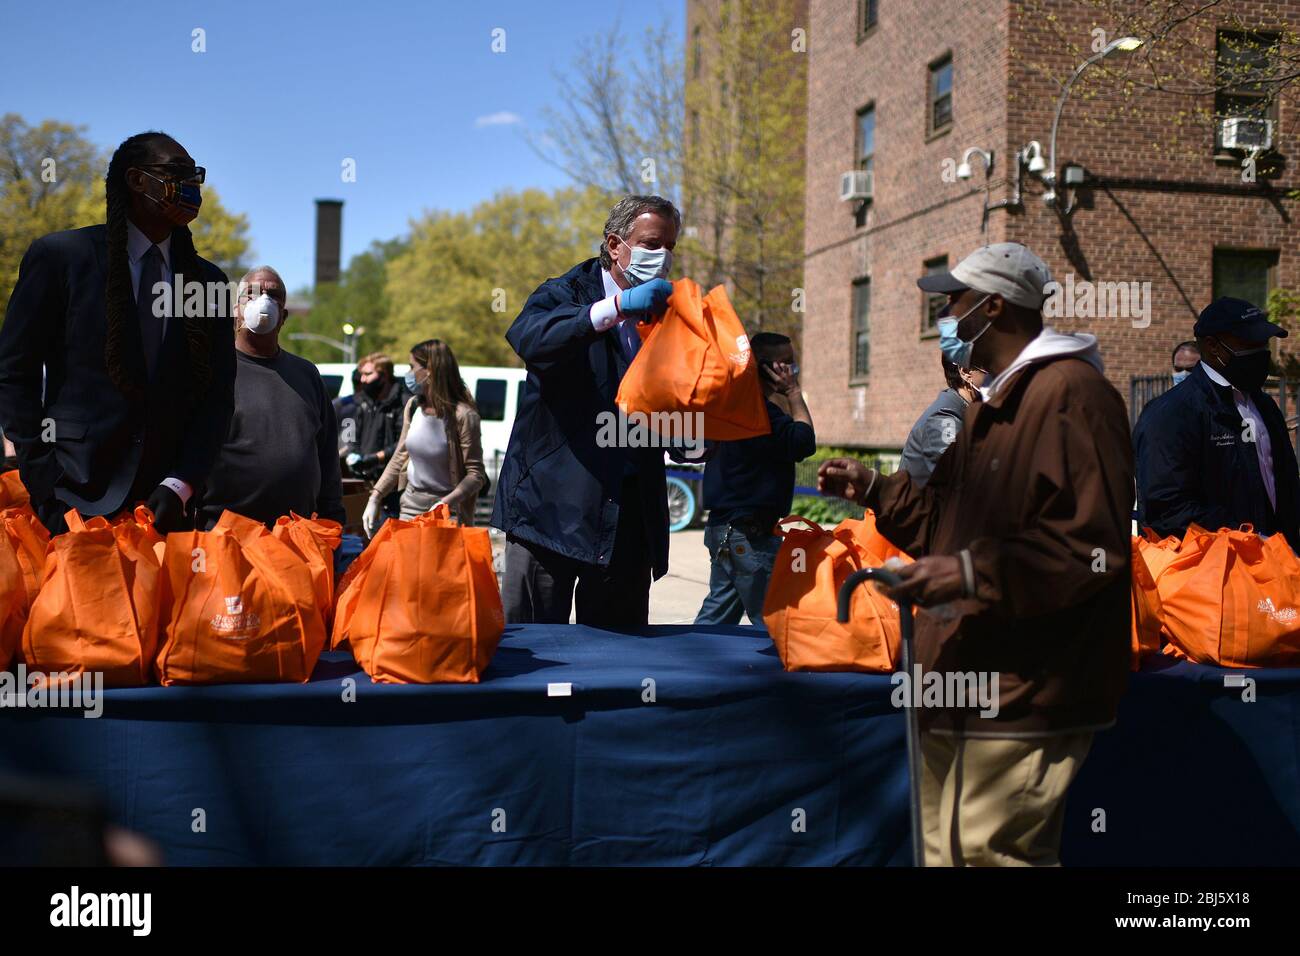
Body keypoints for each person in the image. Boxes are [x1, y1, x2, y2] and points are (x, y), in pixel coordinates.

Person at [818, 242, 1132, 867]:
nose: (947, 317)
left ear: (993, 307)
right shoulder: (992, 406)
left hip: (1027, 686)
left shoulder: (1074, 394)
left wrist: (966, 573)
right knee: (945, 853)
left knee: (989, 856)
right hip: (959, 673)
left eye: (954, 302)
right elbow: (947, 529)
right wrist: (877, 490)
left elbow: (1091, 548)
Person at [0, 131, 235, 535]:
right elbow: (13, 373)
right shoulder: (62, 258)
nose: (191, 185)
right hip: (70, 501)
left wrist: (181, 484)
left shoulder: (207, 281)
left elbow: (217, 398)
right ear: (136, 180)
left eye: (196, 175)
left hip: (165, 510)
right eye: (177, 172)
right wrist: (43, 481)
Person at [492, 194, 678, 628]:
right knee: (534, 647)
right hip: (549, 514)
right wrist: (614, 310)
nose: (663, 257)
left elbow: (669, 406)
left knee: (616, 655)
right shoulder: (565, 294)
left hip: (626, 520)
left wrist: (694, 437)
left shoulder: (668, 316)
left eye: (670, 247)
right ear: (615, 245)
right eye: (652, 244)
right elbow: (529, 337)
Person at [1134, 298, 1298, 543]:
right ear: (1213, 347)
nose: (1261, 352)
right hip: (1212, 564)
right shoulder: (1172, 414)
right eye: (1250, 343)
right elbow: (1168, 511)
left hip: (1276, 561)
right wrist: (1250, 541)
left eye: (1264, 343)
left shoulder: (1264, 405)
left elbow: (1285, 487)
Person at [196, 267, 345, 529]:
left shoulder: (306, 374)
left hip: (296, 536)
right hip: (227, 537)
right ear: (235, 310)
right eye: (251, 293)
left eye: (273, 295)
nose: (263, 300)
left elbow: (327, 453)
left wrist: (332, 518)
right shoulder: (212, 371)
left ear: (283, 316)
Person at [695, 332, 815, 629]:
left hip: (729, 530)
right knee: (777, 624)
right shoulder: (758, 412)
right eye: (786, 363)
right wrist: (794, 393)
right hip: (748, 537)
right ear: (764, 367)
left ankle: (688, 659)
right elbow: (803, 442)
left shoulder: (734, 406)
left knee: (715, 620)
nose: (792, 370)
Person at [364, 338, 486, 531]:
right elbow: (400, 456)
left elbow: (476, 474)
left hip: (448, 513)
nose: (409, 374)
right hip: (410, 506)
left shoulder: (463, 416)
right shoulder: (413, 406)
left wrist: (446, 503)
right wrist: (375, 496)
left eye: (412, 367)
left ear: (429, 370)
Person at [898, 355, 983, 488]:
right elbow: (963, 479)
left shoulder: (968, 411)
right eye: (990, 368)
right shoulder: (944, 419)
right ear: (965, 372)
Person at [349, 352, 410, 518]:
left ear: (384, 376)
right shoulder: (362, 400)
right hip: (365, 479)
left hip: (393, 484)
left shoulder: (403, 402)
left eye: (368, 374)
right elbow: (352, 431)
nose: (363, 379)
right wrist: (353, 452)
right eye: (361, 374)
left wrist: (376, 458)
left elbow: (403, 443)